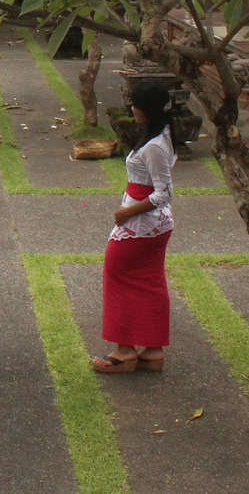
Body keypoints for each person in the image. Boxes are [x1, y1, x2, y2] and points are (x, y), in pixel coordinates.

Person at [92, 78, 177, 374]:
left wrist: (126, 214)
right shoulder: (164, 134)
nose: (132, 108)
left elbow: (163, 192)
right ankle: (153, 350)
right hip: (156, 224)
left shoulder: (154, 146)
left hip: (142, 223)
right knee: (150, 281)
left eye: (136, 104)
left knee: (116, 274)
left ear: (147, 110)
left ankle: (125, 349)